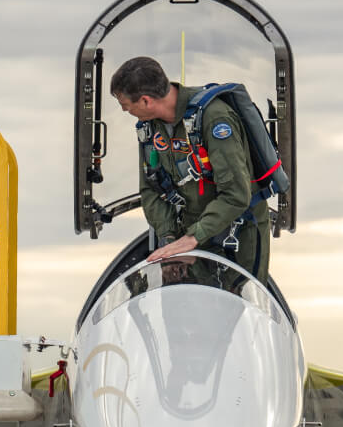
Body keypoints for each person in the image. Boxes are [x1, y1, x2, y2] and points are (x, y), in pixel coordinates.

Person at [109, 56, 271, 279]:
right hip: (188, 236)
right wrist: (168, 239)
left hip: (236, 236)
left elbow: (236, 194)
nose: (127, 112)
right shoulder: (149, 130)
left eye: (127, 107)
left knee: (236, 310)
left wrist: (192, 238)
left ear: (146, 100)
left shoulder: (214, 119)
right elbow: (150, 188)